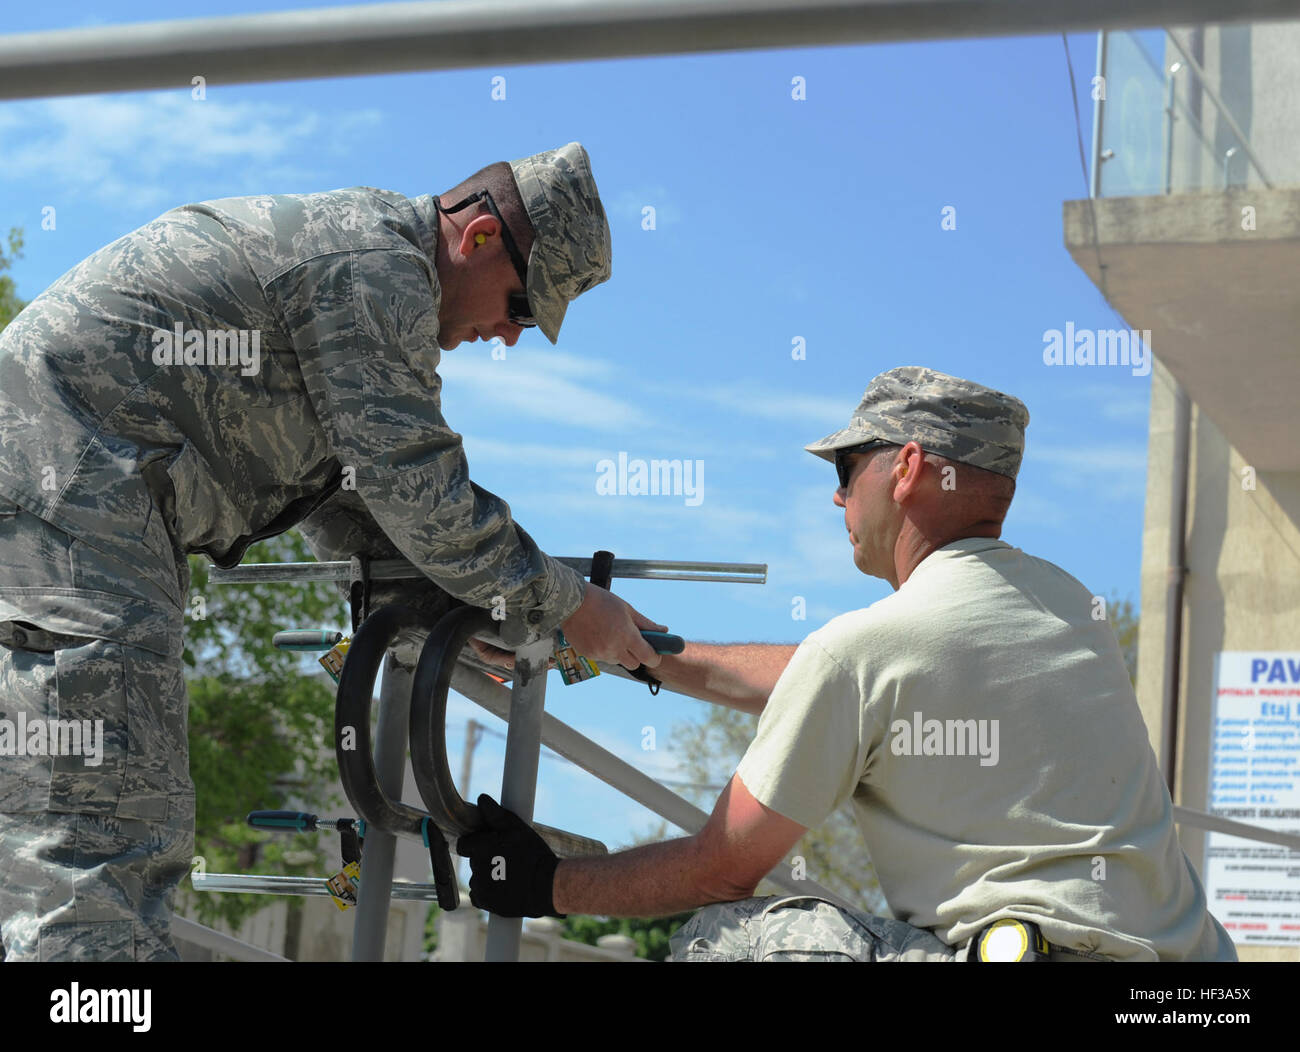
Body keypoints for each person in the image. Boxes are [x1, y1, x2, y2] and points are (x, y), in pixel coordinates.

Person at [0, 141, 663, 961]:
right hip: (71, 491)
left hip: (74, 492)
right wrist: (569, 605)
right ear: (480, 236)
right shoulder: (374, 268)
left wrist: (443, 611)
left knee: (91, 815)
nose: (509, 336)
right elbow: (420, 486)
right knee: (106, 823)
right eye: (522, 306)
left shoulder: (367, 261)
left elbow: (350, 489)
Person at [458, 366, 1237, 963]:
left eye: (845, 471)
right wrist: (638, 650)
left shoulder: (868, 651)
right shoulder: (1070, 610)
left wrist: (544, 883)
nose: (837, 501)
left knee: (726, 938)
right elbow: (845, 678)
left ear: (903, 468)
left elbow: (718, 867)